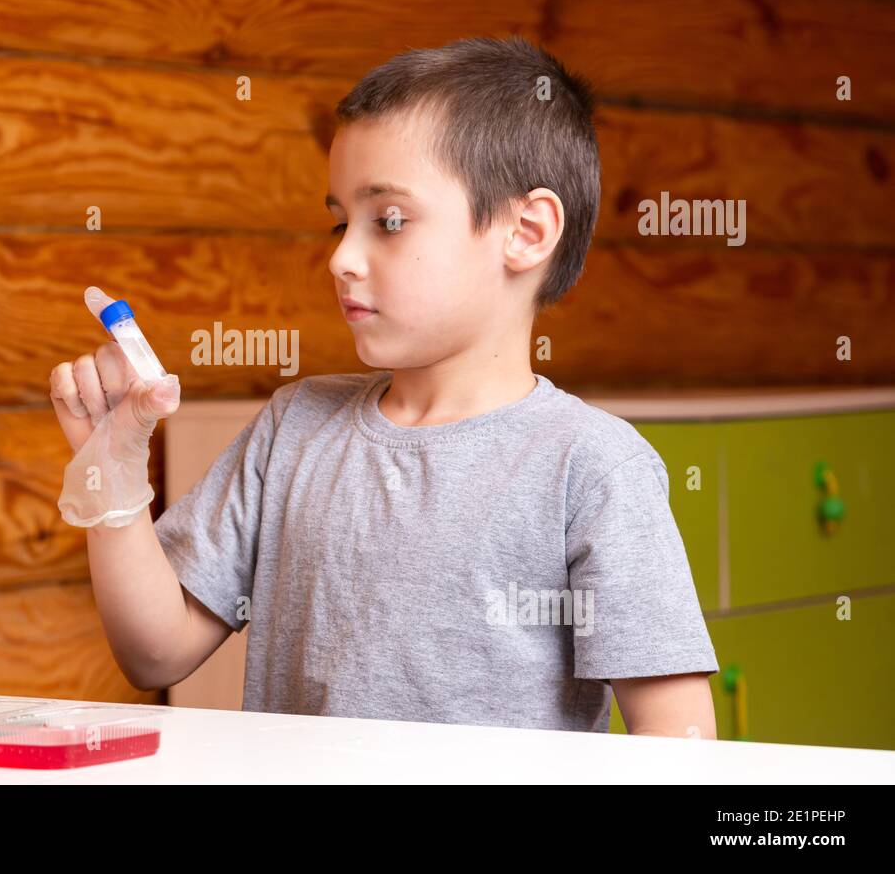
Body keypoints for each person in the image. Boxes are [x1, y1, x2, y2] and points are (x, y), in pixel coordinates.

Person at [49, 36, 718, 738]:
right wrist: (114, 484)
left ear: (525, 231)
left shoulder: (592, 466)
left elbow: (676, 738)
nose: (341, 256)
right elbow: (154, 653)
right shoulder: (293, 428)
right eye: (341, 221)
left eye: (389, 221)